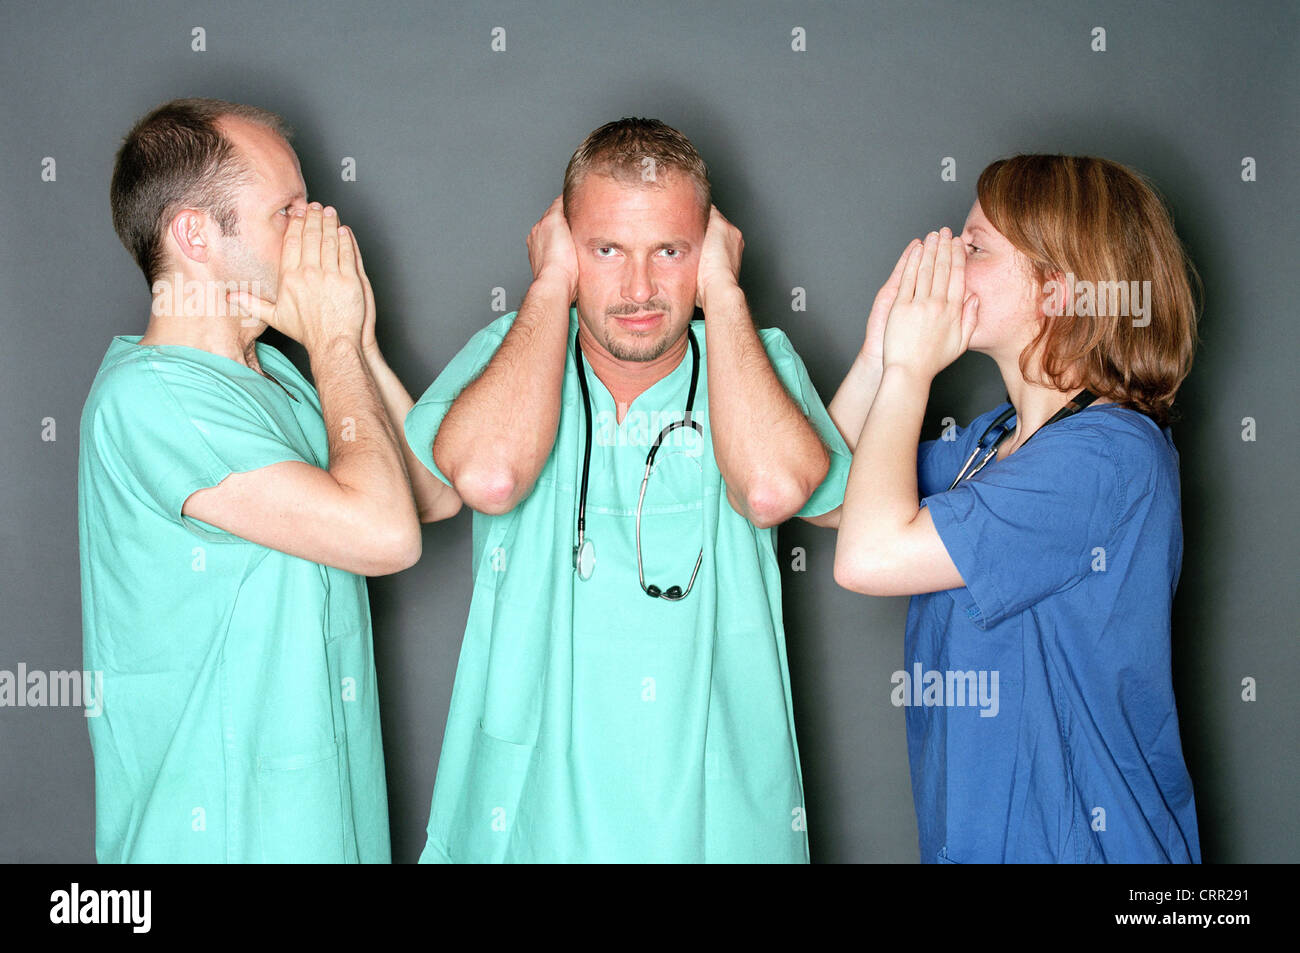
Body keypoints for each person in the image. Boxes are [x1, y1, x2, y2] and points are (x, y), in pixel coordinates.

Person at [404, 118, 850, 862]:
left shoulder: (755, 364)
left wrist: (725, 296)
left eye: (670, 251)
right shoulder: (508, 358)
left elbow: (775, 489)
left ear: (707, 250)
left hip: (714, 815)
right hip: (530, 809)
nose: (639, 288)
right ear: (561, 243)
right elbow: (488, 475)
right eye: (605, 249)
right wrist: (549, 286)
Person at [80, 98, 460, 862]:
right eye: (288, 210)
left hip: (326, 826)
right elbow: (385, 536)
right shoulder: (151, 396)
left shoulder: (279, 376)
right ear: (195, 234)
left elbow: (432, 492)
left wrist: (350, 340)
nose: (321, 228)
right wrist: (330, 344)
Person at [829, 154, 1201, 863]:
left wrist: (912, 369)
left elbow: (868, 556)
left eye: (974, 247)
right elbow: (834, 497)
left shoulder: (1108, 456)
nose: (948, 259)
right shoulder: (994, 440)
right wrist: (882, 349)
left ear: (1057, 291)